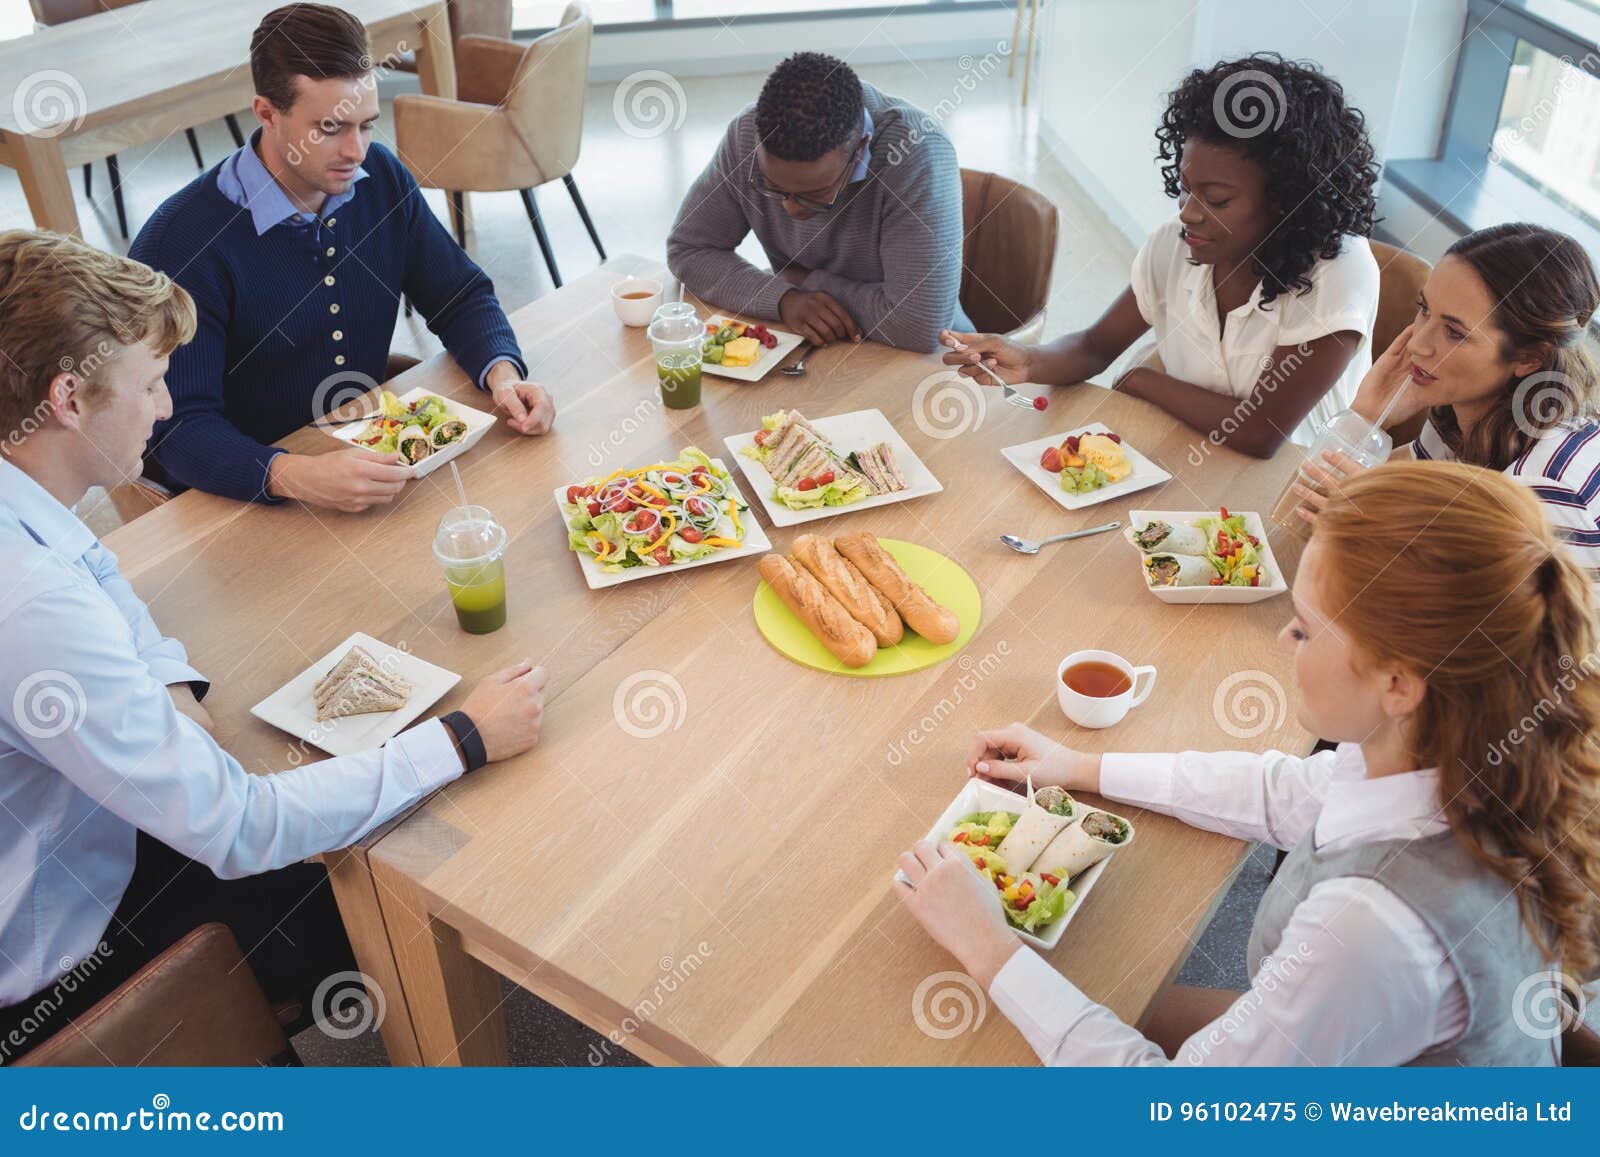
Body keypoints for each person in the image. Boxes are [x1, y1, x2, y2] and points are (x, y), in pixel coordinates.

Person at [0, 230, 549, 1062]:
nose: (166, 407)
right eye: (149, 384)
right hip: (55, 960)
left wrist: (175, 701)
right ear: (68, 399)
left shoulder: (29, 500)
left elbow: (105, 578)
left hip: (87, 838)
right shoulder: (28, 602)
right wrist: (465, 736)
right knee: (387, 877)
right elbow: (239, 827)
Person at [896, 460, 1600, 1064]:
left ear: (1398, 683)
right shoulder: (1447, 750)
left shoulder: (1368, 930)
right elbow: (1281, 791)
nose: (1285, 636)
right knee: (1101, 987)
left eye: (1308, 626)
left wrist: (987, 947)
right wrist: (1080, 765)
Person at [130, 3, 555, 511]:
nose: (356, 151)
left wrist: (504, 375)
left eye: (367, 124)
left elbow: (458, 294)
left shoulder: (379, 176)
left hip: (367, 461)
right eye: (330, 127)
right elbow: (176, 426)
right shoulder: (181, 244)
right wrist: (294, 473)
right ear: (266, 113)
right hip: (241, 499)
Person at [942, 54, 1380, 455]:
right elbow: (1096, 346)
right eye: (1186, 189)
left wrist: (1144, 380)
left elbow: (1261, 430)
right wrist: (1029, 359)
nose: (1188, 213)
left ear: (1285, 199)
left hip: (1296, 492)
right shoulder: (1176, 244)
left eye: (1216, 199)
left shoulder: (1338, 272)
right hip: (1184, 455)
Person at [1293, 223, 1600, 583]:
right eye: (1424, 309)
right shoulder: (1466, 416)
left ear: (1530, 358)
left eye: (1455, 332)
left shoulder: (1548, 492)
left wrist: (1380, 531)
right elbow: (1312, 507)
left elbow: (1513, 636)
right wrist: (1367, 416)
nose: (1417, 345)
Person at [667, 51, 971, 353]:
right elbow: (689, 249)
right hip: (817, 345)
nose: (791, 209)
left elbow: (919, 325)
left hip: (929, 362)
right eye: (772, 186)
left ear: (859, 148)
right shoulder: (745, 134)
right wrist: (783, 298)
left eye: (814, 195)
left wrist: (809, 281)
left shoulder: (917, 153)